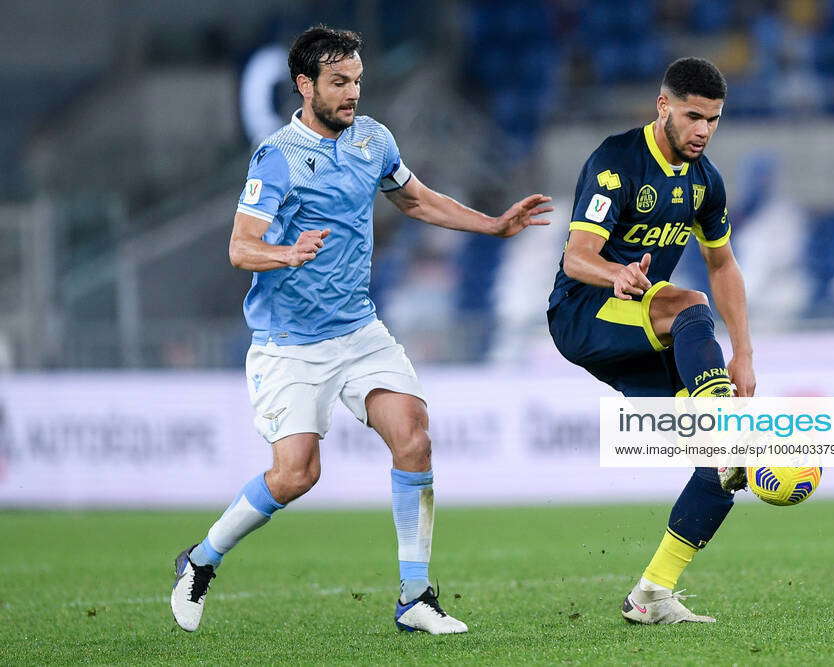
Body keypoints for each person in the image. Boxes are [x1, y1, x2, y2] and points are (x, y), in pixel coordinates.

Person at [170, 25, 552, 635]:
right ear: (305, 85)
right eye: (339, 83)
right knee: (297, 474)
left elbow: (417, 201)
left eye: (357, 82)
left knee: (414, 439)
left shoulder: (373, 139)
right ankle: (201, 558)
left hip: (358, 331)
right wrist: (287, 252)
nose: (352, 94)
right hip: (289, 343)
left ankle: (416, 597)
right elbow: (241, 247)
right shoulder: (277, 156)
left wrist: (492, 226)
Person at [547, 57, 755, 624]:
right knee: (687, 304)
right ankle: (723, 420)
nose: (703, 131)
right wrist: (614, 273)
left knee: (722, 467)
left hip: (642, 323)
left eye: (713, 120)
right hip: (582, 311)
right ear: (663, 106)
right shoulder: (616, 161)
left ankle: (652, 594)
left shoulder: (705, 181)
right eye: (693, 117)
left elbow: (724, 264)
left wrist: (745, 354)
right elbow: (577, 255)